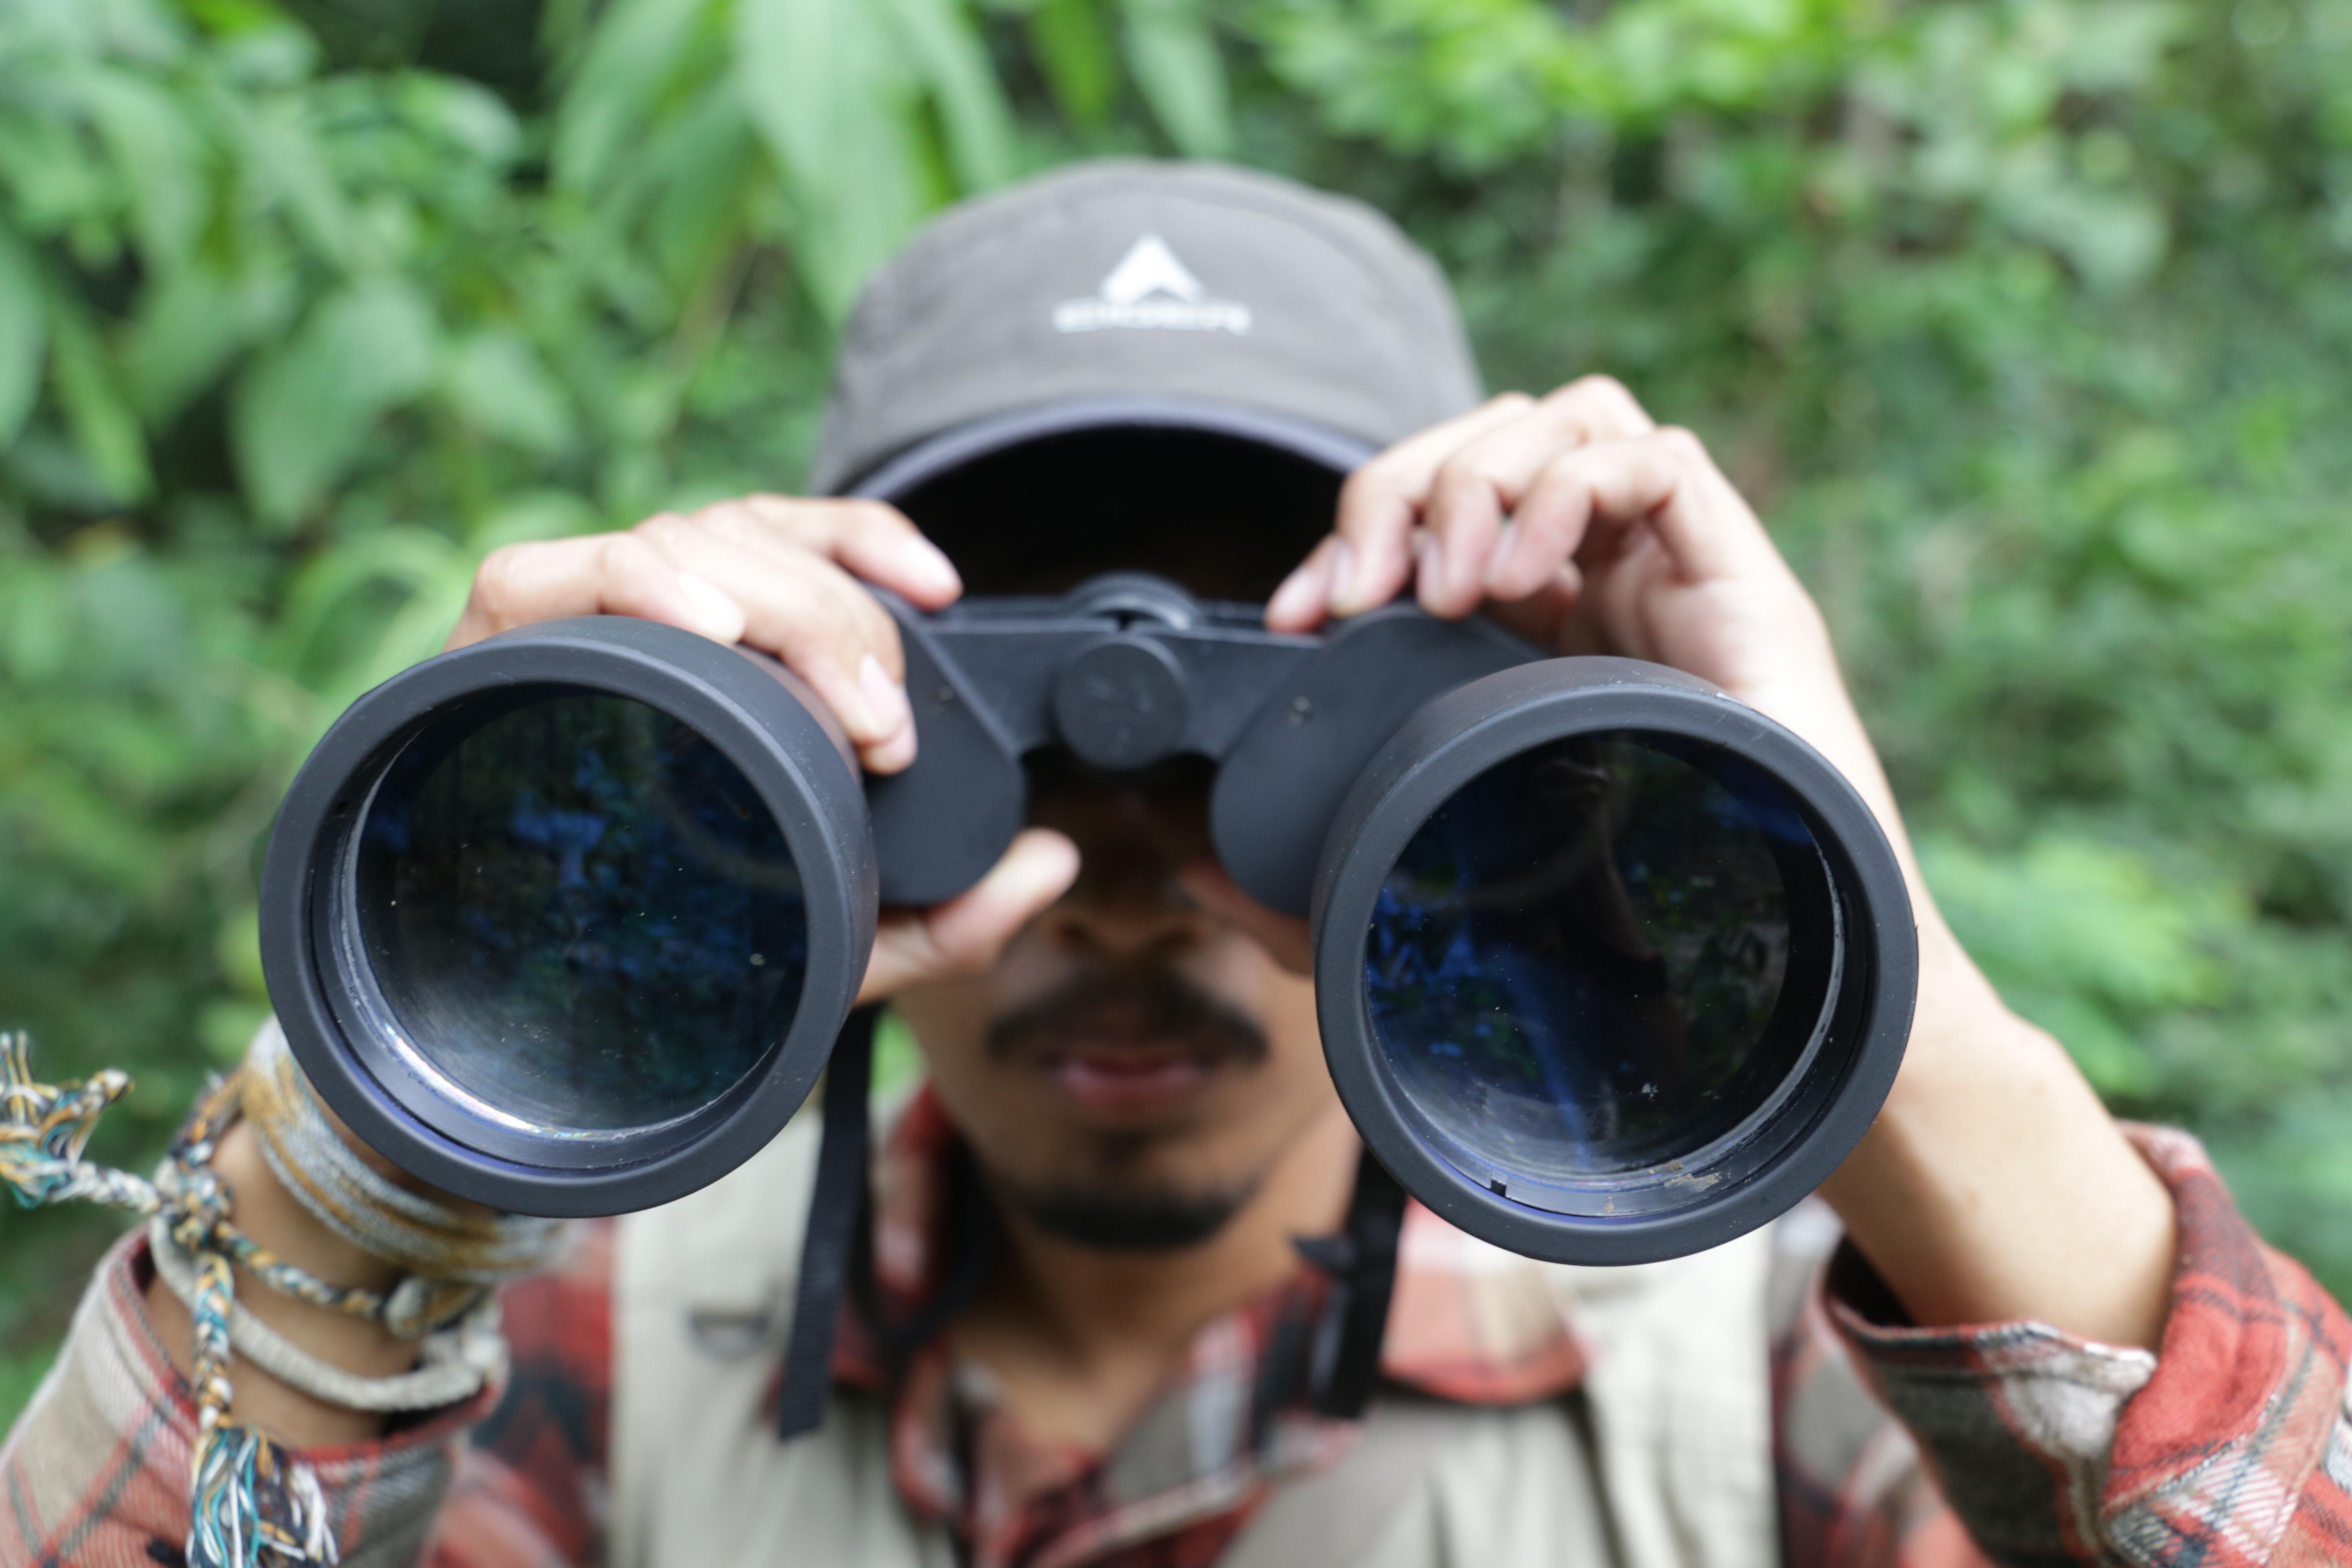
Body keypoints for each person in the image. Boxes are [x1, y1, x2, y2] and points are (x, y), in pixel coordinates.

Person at [4, 161, 2346, 1568]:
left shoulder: (1749, 1377)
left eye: (1316, 764)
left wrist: (1870, 958)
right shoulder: (586, 1343)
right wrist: (420, 1061)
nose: (1130, 891)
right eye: (989, 756)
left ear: (1501, 772)